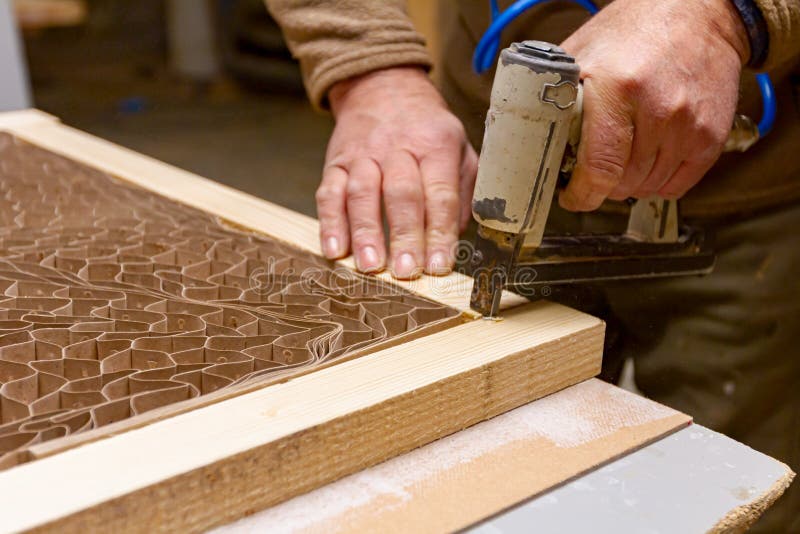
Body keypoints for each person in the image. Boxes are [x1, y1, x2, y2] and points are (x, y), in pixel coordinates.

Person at [265, 0, 799, 529]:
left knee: (723, 490)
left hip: (756, 194)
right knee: (473, 476)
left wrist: (721, 15)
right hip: (489, 144)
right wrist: (372, 69)